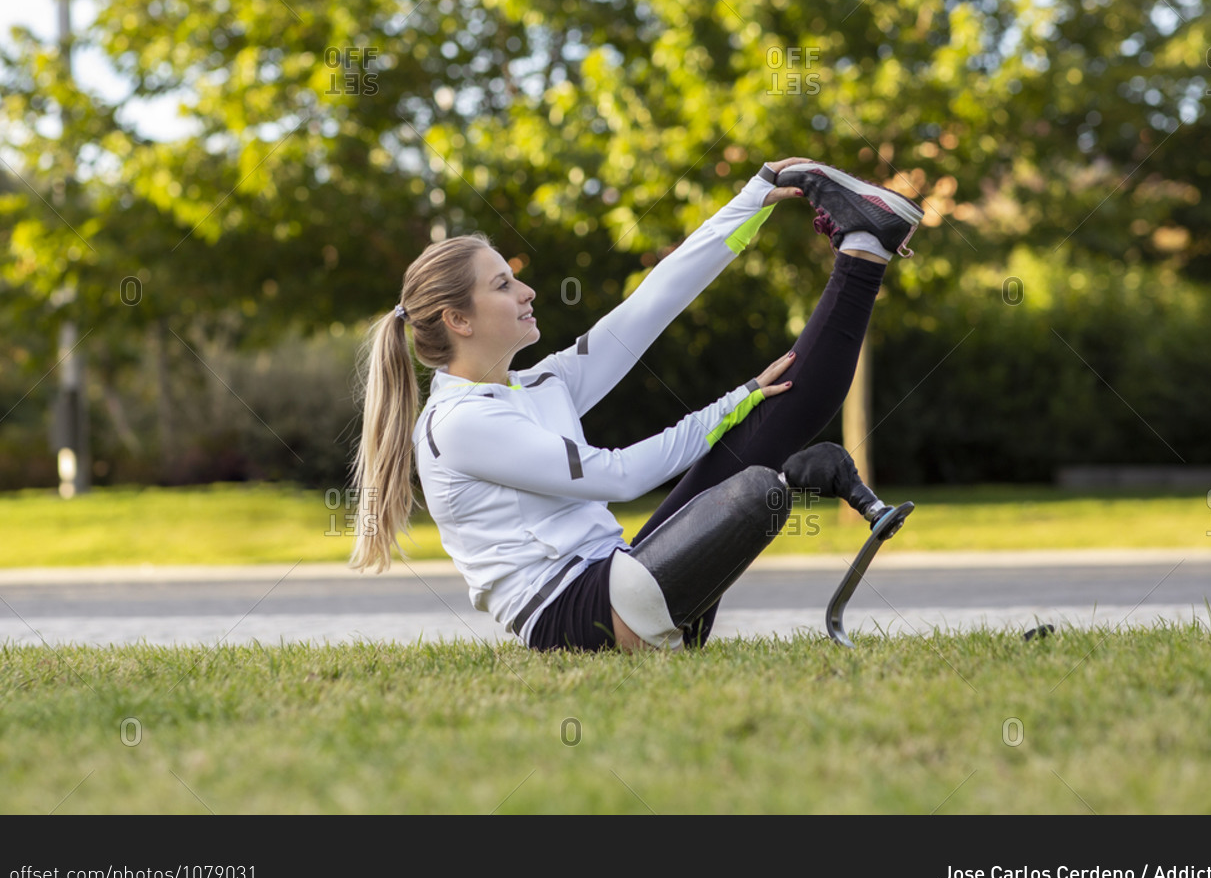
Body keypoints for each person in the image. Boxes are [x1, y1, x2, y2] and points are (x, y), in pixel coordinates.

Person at [349, 156, 926, 651]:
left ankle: (862, 243)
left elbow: (651, 303)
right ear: (458, 320)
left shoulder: (536, 384)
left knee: (784, 406)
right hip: (582, 616)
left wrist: (753, 199)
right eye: (501, 285)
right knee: (757, 472)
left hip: (626, 576)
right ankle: (861, 251)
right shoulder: (458, 424)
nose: (526, 292)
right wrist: (736, 399)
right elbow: (618, 476)